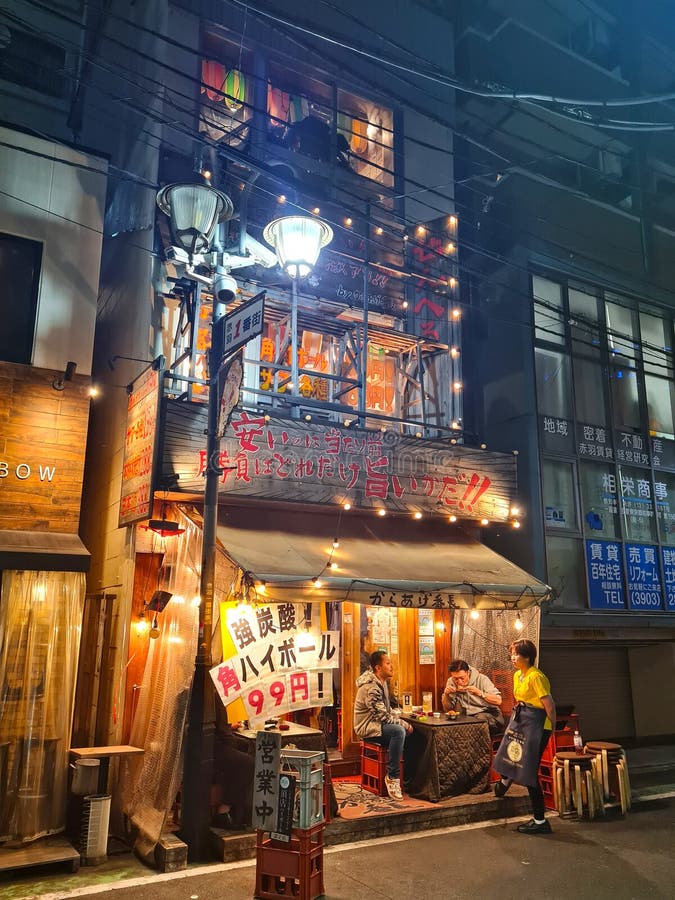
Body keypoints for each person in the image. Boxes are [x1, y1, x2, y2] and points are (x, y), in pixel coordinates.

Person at [493, 639, 556, 835]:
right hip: (521, 721)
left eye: (516, 654)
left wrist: (551, 729)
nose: (512, 657)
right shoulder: (518, 675)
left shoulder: (536, 677)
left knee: (529, 772)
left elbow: (550, 706)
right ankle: (505, 781)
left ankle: (540, 820)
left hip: (538, 726)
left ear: (527, 656)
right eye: (511, 653)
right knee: (509, 754)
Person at [353, 650, 413, 800]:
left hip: (377, 724)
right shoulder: (371, 687)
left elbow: (385, 710)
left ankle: (411, 778)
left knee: (411, 730)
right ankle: (392, 777)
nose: (391, 666)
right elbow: (382, 716)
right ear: (378, 668)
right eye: (387, 663)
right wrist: (402, 722)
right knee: (398, 731)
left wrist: (401, 717)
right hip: (367, 727)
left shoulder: (382, 682)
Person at [212, 703, 255, 829]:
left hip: (209, 743)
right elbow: (224, 735)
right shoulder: (215, 696)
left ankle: (239, 810)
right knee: (247, 763)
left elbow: (222, 729)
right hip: (212, 747)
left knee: (247, 747)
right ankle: (224, 810)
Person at [441, 659, 505, 735]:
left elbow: (498, 701)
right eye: (456, 679)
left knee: (479, 720)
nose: (459, 682)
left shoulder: (482, 679)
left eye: (462, 678)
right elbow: (448, 709)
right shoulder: (451, 682)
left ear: (468, 672)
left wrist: (480, 693)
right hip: (468, 717)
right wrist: (446, 695)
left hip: (490, 715)